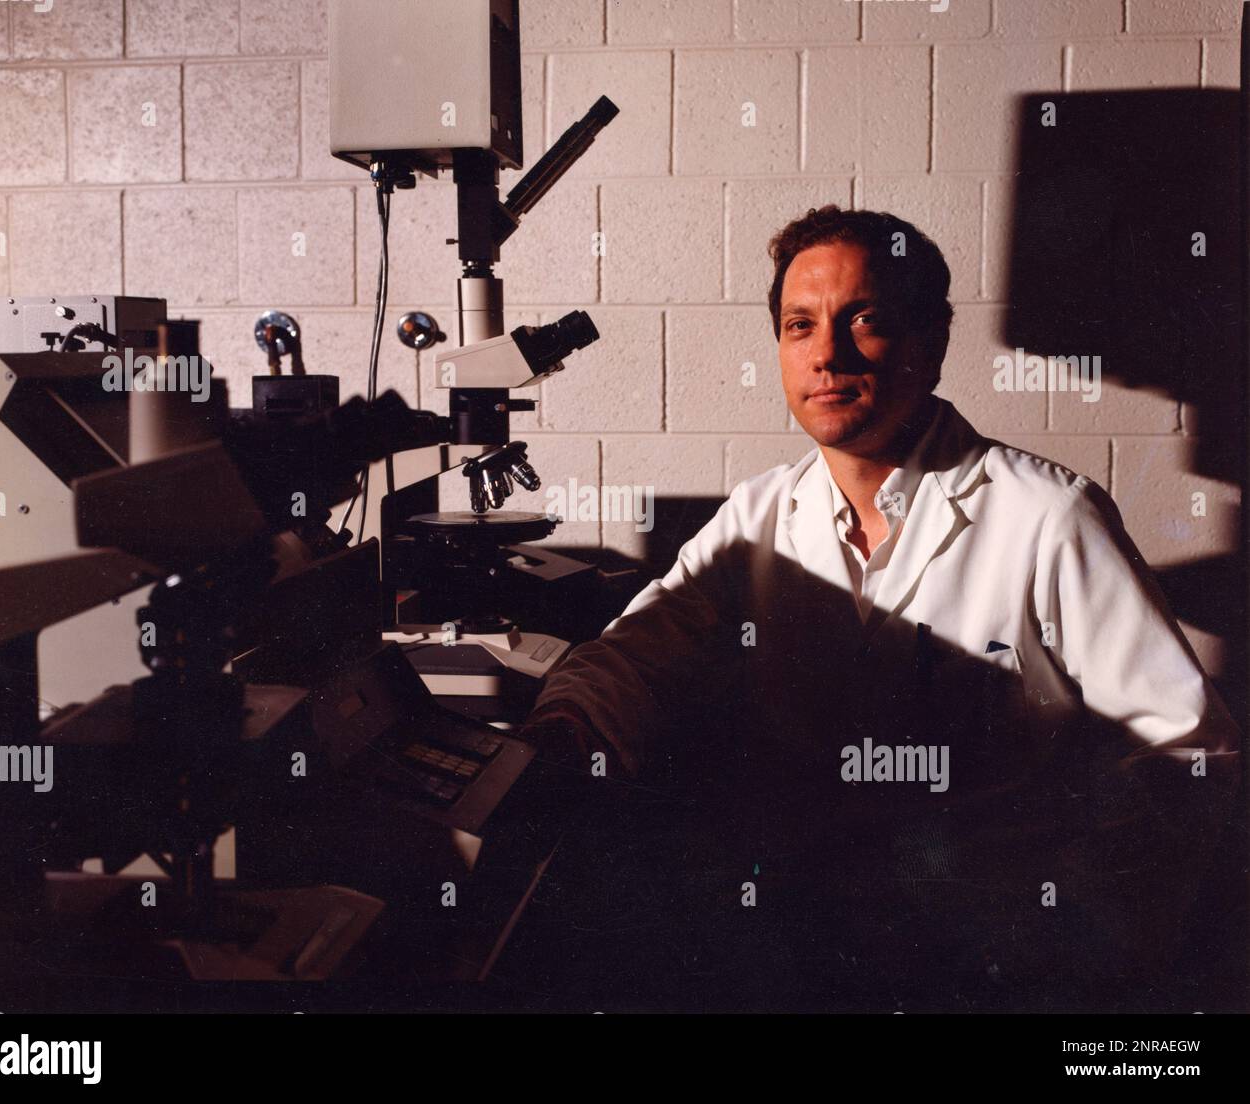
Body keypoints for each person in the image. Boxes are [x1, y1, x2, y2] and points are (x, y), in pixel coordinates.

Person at [519, 206, 1241, 1011]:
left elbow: (1191, 751)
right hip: (799, 957)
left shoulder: (1047, 516)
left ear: (930, 346)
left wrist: (1064, 937)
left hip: (989, 971)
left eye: (865, 322)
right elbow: (631, 656)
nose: (827, 354)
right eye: (800, 326)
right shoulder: (758, 518)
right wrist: (563, 732)